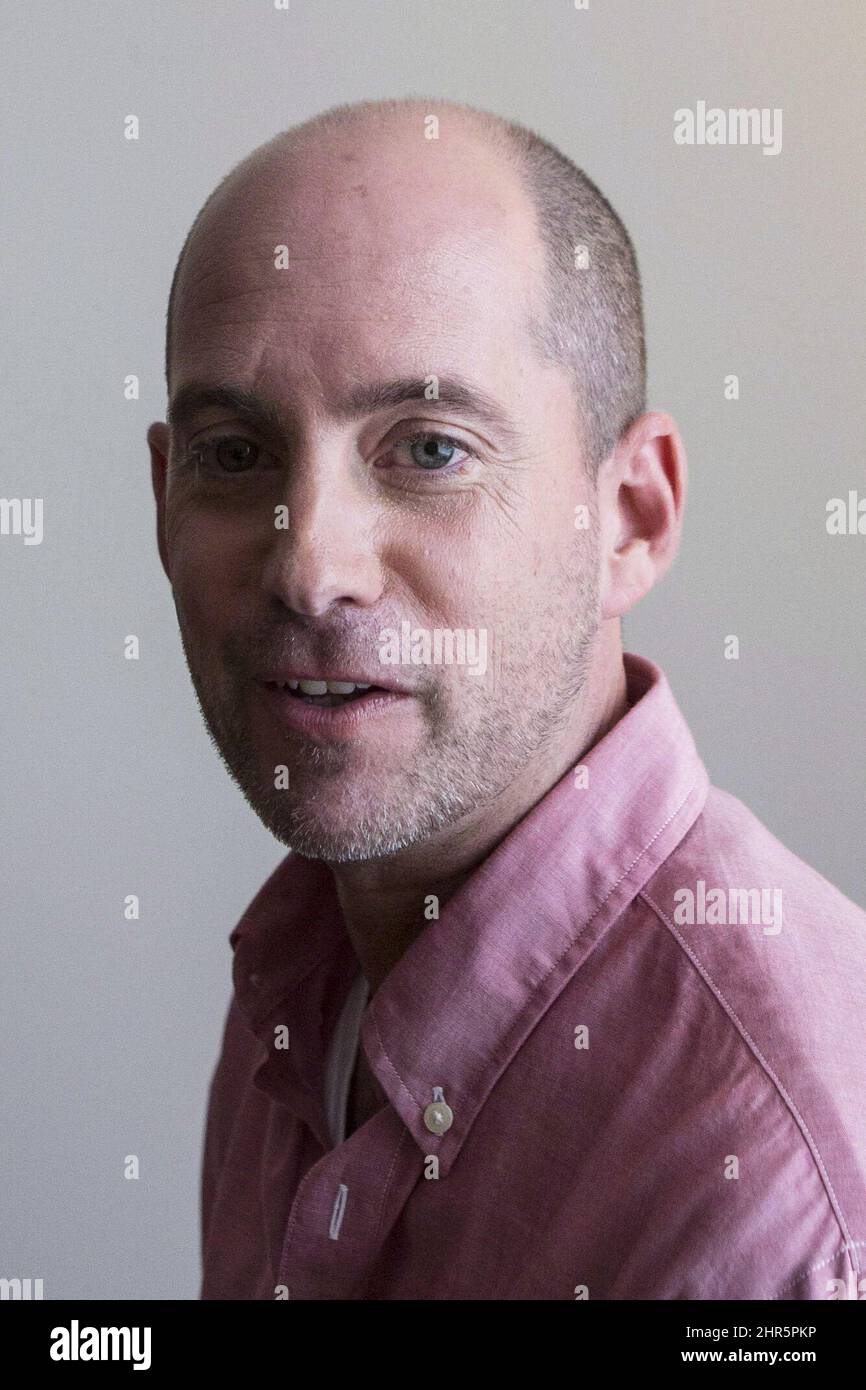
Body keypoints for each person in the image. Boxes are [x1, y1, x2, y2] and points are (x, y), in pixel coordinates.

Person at [147, 96, 866, 1300]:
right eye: (235, 453)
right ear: (162, 497)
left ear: (630, 517)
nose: (309, 564)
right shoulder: (301, 969)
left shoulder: (785, 1207)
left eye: (428, 448)